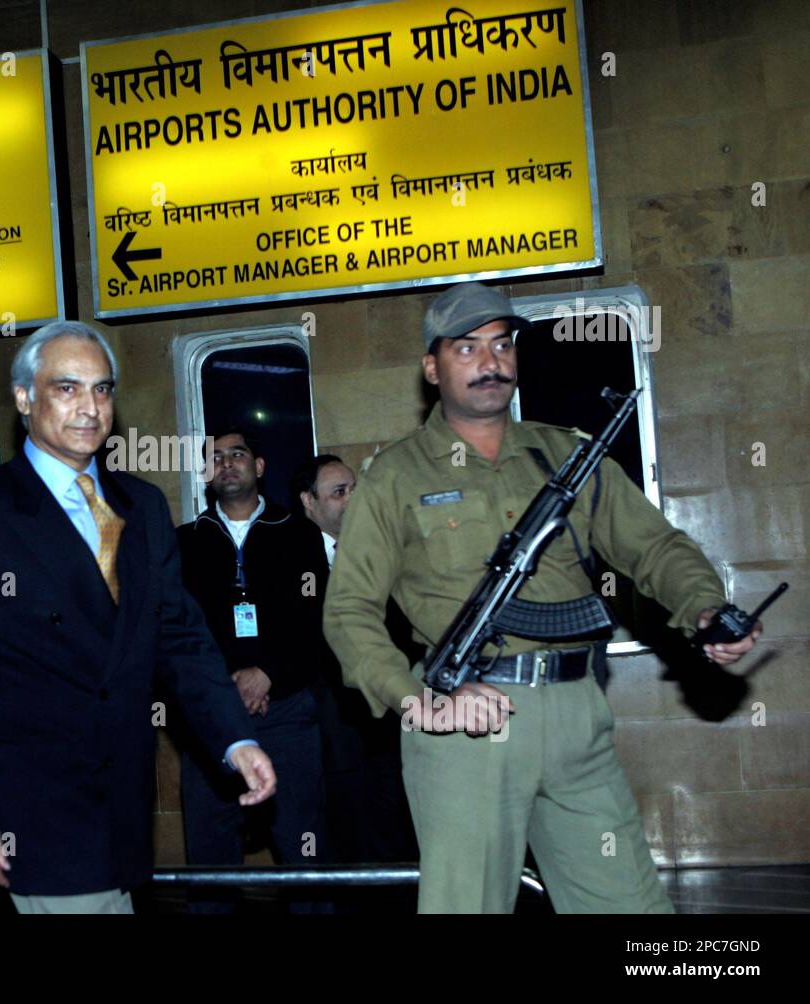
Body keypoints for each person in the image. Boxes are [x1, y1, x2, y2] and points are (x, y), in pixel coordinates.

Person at [323, 282, 761, 914]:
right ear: (431, 367)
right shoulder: (394, 476)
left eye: (502, 344)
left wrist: (703, 606)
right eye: (466, 348)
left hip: (577, 714)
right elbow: (349, 612)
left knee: (632, 909)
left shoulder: (567, 454)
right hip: (466, 726)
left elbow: (655, 548)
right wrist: (417, 700)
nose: (489, 361)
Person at [0, 321, 277, 914]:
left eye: (102, 390)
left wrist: (234, 738)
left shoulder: (142, 506)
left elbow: (179, 639)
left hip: (122, 806)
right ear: (24, 397)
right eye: (67, 389)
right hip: (33, 809)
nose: (89, 408)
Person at [174, 428, 328, 911]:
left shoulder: (298, 532)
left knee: (305, 847)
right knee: (211, 860)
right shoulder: (186, 542)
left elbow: (320, 619)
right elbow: (179, 631)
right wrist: (224, 687)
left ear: (259, 466)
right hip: (212, 723)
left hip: (287, 712)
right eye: (215, 457)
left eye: (236, 454)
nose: (226, 463)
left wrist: (268, 673)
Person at [293, 454, 418, 866]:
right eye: (339, 492)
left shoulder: (388, 548)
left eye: (355, 490)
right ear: (309, 503)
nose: (352, 500)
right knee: (348, 828)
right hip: (330, 723)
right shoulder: (289, 557)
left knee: (399, 821)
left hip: (393, 713)